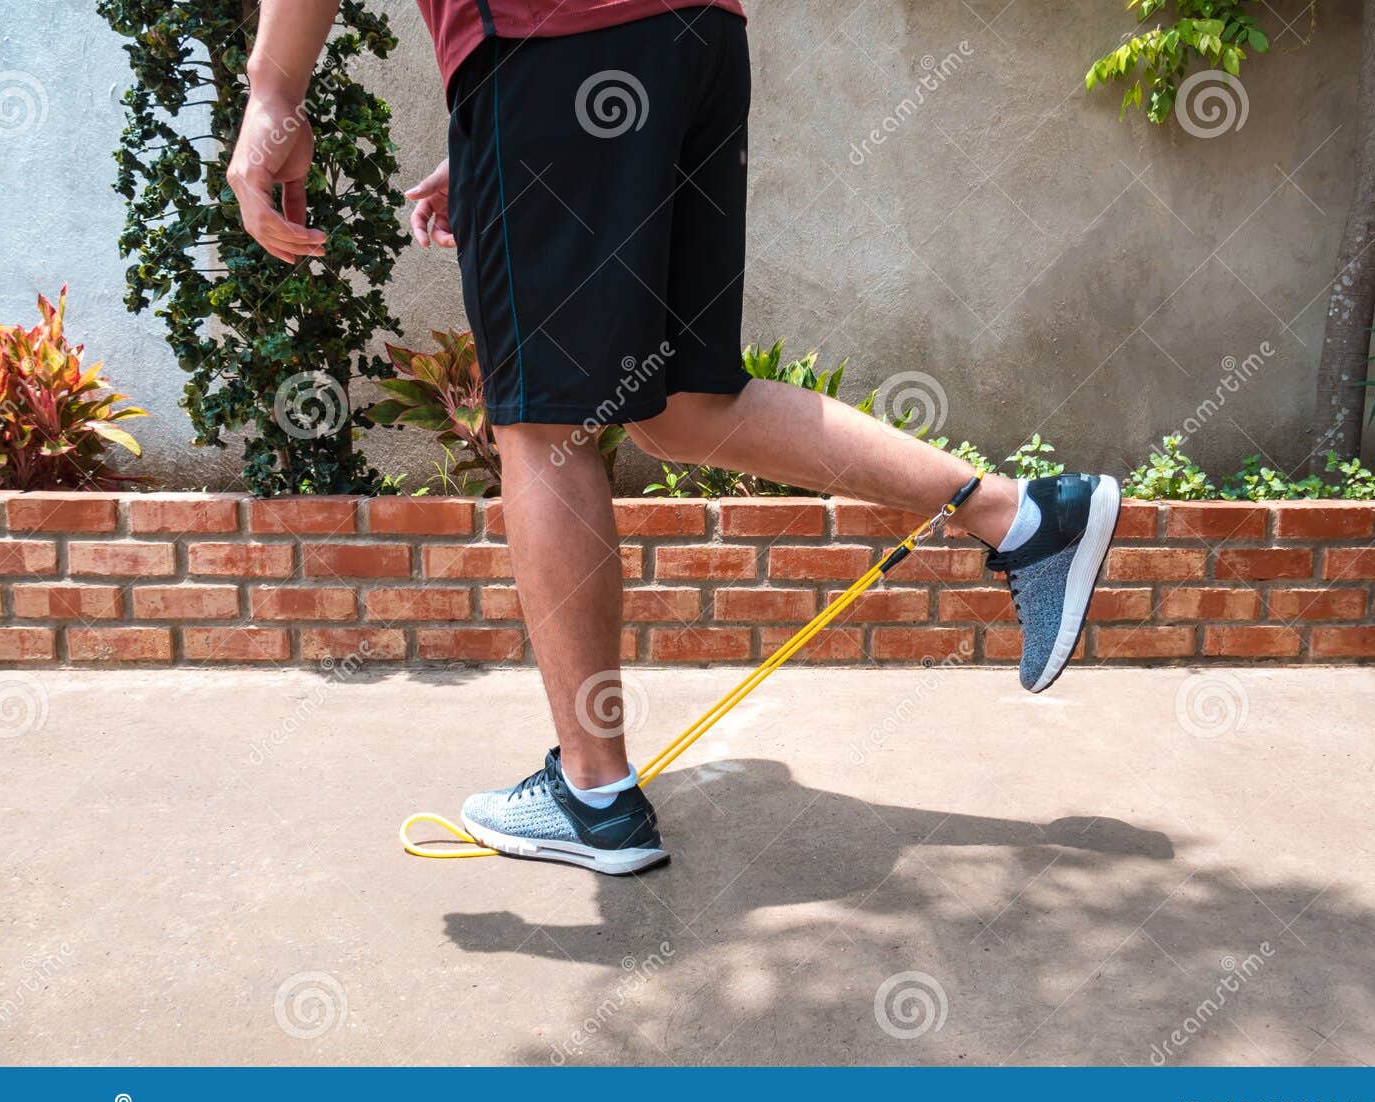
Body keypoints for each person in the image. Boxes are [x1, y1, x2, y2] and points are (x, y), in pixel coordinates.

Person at [227, 0, 1120, 876]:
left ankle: (594, 795)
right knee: (684, 403)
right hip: (693, 37)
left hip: (547, 39)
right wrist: (511, 138)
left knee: (541, 421)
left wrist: (273, 91)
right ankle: (1023, 515)